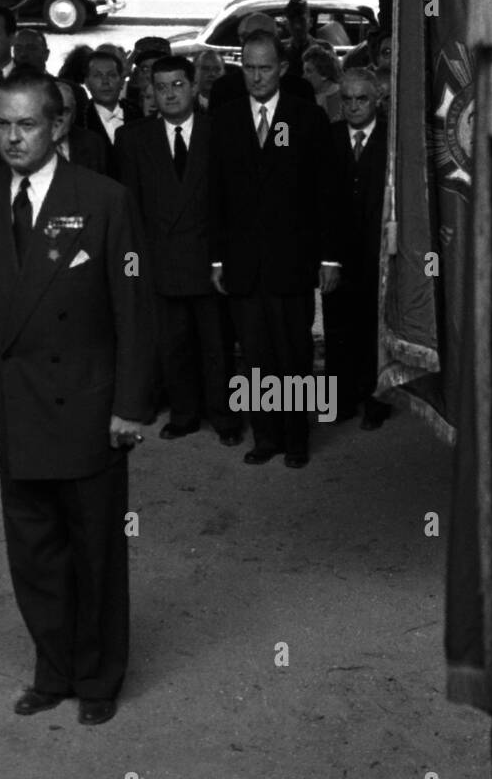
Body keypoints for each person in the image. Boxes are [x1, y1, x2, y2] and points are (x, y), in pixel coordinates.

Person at [0, 70, 154, 726]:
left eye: (27, 124)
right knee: (33, 551)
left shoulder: (103, 199)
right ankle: (54, 669)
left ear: (58, 126)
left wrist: (130, 405)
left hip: (89, 408)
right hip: (13, 407)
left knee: (94, 550)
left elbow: (134, 313)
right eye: (3, 124)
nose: (12, 137)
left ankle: (97, 679)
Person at [209, 31, 340, 468]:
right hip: (243, 263)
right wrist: (216, 258)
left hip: (293, 261)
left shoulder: (306, 118)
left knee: (294, 354)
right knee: (256, 353)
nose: (257, 76)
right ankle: (265, 436)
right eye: (249, 67)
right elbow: (216, 196)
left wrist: (328, 257)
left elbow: (326, 194)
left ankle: (296, 437)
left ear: (282, 68)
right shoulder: (224, 119)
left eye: (265, 68)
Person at [117, 55, 241, 447]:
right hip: (162, 262)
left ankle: (224, 417)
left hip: (210, 261)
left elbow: (230, 202)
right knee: (173, 346)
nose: (169, 93)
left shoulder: (219, 130)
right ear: (150, 92)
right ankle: (185, 415)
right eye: (161, 86)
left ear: (193, 87)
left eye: (177, 84)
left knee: (216, 345)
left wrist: (224, 258)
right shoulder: (133, 138)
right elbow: (130, 210)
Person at [321, 68, 392, 430]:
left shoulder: (393, 142)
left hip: (379, 255)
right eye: (346, 98)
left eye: (361, 98)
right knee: (338, 331)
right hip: (338, 255)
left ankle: (374, 402)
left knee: (374, 331)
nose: (352, 106)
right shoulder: (328, 138)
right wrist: (327, 258)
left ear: (377, 99)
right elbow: (319, 203)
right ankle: (339, 402)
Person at [208, 13, 315, 112]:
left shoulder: (301, 90)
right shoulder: (223, 88)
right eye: (242, 37)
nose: (245, 43)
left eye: (254, 37)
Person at [84, 48, 141, 170]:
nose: (105, 82)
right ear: (87, 83)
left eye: (111, 75)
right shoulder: (80, 119)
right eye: (98, 76)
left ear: (121, 81)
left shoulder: (138, 114)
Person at [54, 79, 107, 172]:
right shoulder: (27, 144)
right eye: (53, 111)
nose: (59, 118)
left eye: (65, 111)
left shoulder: (93, 143)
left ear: (74, 114)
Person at [302, 43, 344, 122]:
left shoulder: (337, 97)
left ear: (324, 74)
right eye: (304, 71)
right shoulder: (308, 96)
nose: (304, 76)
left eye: (309, 71)